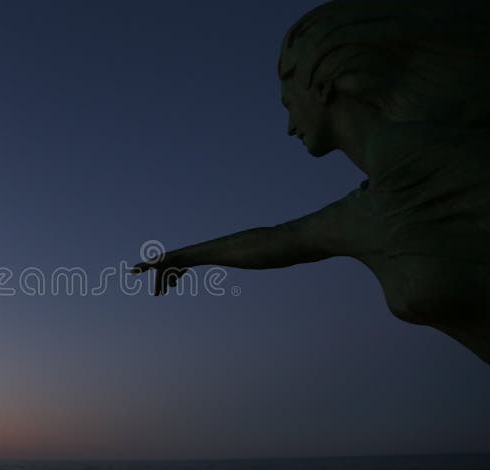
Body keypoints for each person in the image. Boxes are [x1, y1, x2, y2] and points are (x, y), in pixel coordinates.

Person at [131, 0, 490, 364]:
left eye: (289, 104)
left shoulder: (414, 154)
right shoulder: (373, 206)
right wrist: (186, 258)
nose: (289, 126)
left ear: (322, 85)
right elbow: (281, 240)